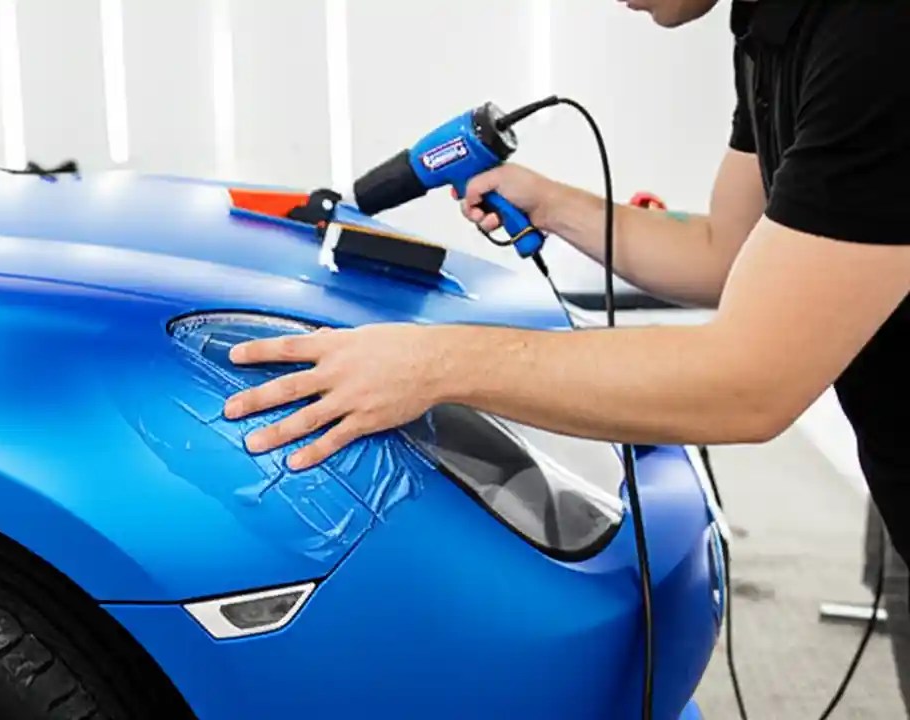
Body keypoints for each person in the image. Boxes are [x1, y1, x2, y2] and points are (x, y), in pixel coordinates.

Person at [223, 0, 909, 603]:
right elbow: (723, 248)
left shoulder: (878, 36)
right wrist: (551, 203)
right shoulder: (770, 25)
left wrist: (434, 365)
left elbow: (751, 382)